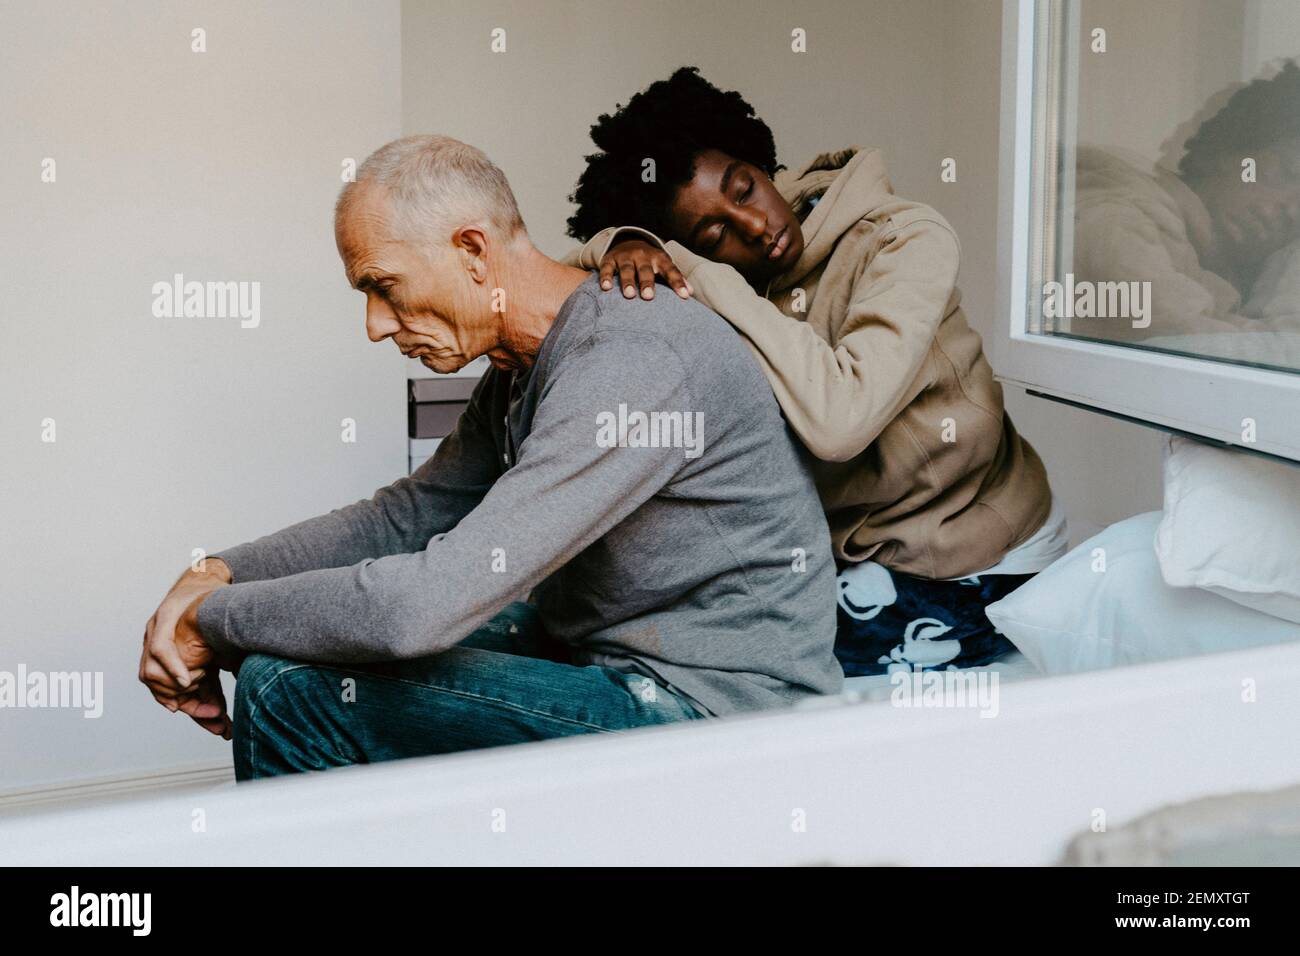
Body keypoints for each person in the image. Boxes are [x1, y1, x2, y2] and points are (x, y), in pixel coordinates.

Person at [138, 134, 843, 780]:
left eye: (384, 287)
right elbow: (405, 517)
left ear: (473, 252)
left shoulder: (633, 359)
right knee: (298, 653)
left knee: (293, 691)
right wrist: (216, 572)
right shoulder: (521, 366)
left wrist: (211, 619)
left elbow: (423, 605)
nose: (376, 325)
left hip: (721, 719)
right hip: (613, 663)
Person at [562, 67, 1067, 677]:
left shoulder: (904, 238)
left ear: (760, 164)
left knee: (730, 670)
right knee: (617, 625)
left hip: (973, 555)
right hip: (846, 555)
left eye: (744, 190)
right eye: (715, 232)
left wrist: (706, 271)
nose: (753, 226)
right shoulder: (729, 284)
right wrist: (623, 242)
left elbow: (840, 421)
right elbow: (561, 279)